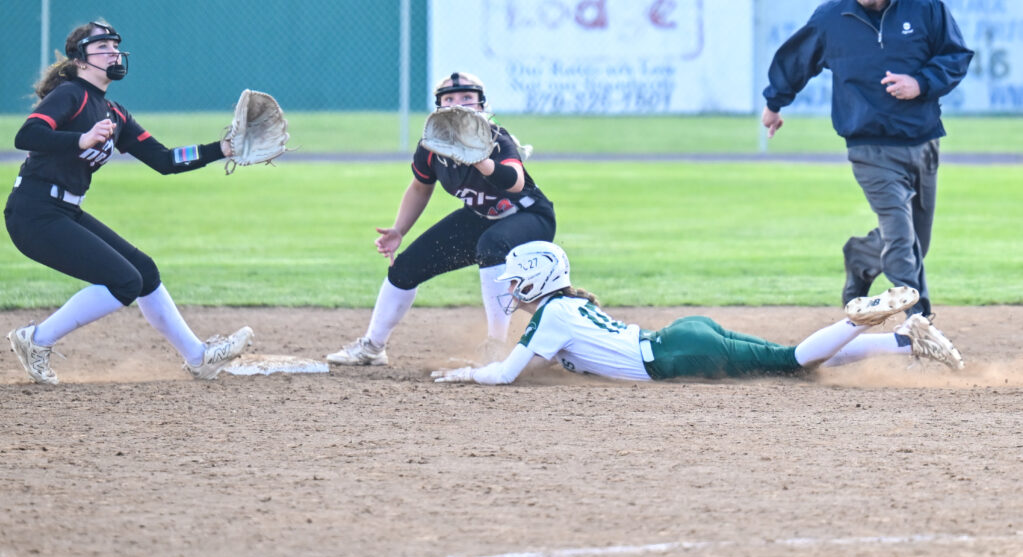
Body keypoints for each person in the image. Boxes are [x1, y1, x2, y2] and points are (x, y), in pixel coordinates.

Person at [4, 20, 253, 385]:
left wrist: (223, 149)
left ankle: (198, 357)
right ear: (80, 59)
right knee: (124, 282)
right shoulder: (71, 94)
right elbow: (27, 134)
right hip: (33, 213)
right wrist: (81, 139)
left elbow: (165, 159)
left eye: (115, 46)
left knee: (145, 272)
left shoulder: (115, 113)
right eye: (102, 47)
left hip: (64, 211)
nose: (113, 52)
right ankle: (36, 340)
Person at [760, 0, 973, 319]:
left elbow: (956, 56)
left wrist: (921, 83)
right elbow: (796, 58)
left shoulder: (925, 9)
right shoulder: (832, 19)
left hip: (923, 142)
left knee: (916, 245)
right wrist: (775, 103)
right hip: (869, 148)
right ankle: (918, 323)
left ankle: (861, 256)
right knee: (901, 238)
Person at [430, 241, 964, 386]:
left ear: (541, 279)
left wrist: (467, 375)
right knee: (795, 363)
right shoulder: (564, 310)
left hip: (681, 351)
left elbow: (505, 375)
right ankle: (905, 340)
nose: (513, 290)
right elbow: (541, 363)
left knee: (790, 363)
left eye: (519, 281)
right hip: (682, 339)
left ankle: (859, 318)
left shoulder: (553, 318)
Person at [327, 71, 556, 366]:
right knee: (406, 268)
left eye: (466, 98)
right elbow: (420, 188)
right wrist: (399, 230)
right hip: (479, 217)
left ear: (482, 105)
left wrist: (482, 162)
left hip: (528, 215)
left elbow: (515, 182)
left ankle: (497, 348)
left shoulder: (497, 138)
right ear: (438, 107)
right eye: (449, 99)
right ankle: (372, 347)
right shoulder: (432, 147)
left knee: (492, 246)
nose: (458, 105)